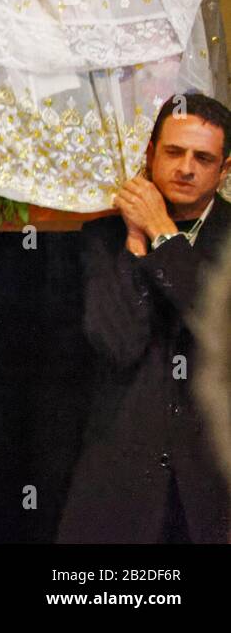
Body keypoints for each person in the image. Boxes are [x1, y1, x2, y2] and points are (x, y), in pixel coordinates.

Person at [59, 92, 231, 542]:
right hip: (122, 484)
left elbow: (219, 330)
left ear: (225, 169)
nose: (186, 168)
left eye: (203, 157)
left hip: (211, 490)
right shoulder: (104, 236)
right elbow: (117, 343)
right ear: (150, 154)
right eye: (174, 152)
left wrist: (163, 235)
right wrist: (135, 247)